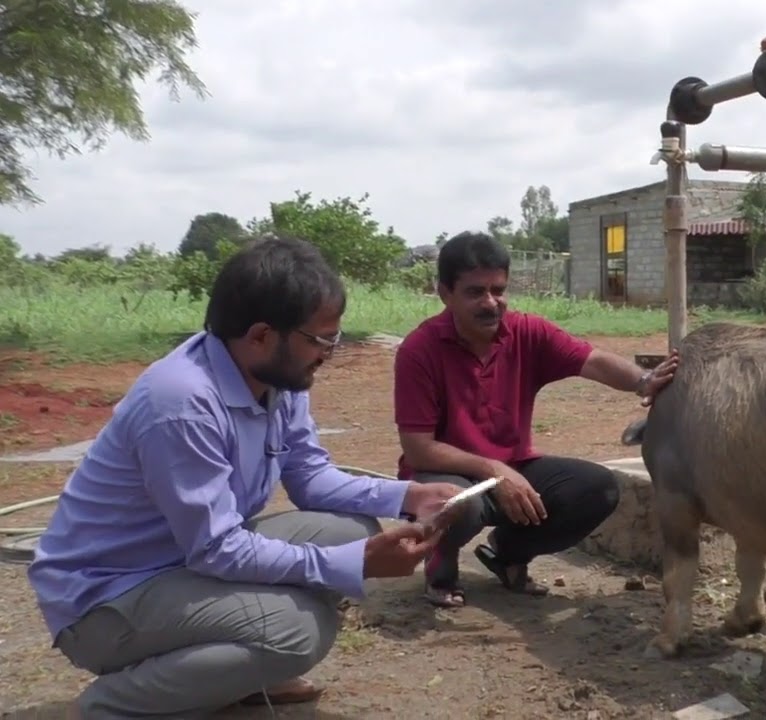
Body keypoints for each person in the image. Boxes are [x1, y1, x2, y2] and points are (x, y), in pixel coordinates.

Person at [28, 236, 466, 718]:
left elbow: (310, 477)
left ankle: (231, 675)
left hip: (181, 559)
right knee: (298, 631)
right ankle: (109, 707)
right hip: (108, 598)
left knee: (349, 528)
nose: (328, 354)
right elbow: (216, 548)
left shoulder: (277, 377)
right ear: (261, 334)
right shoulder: (182, 403)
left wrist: (409, 494)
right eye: (321, 340)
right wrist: (351, 564)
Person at [394, 231, 678, 608]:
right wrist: (494, 470)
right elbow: (418, 449)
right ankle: (441, 567)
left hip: (512, 467)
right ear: (445, 293)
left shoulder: (527, 332)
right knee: (455, 502)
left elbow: (591, 360)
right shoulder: (419, 350)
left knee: (598, 489)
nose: (491, 303)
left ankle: (507, 555)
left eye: (499, 290)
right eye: (475, 292)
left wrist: (644, 381)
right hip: (445, 475)